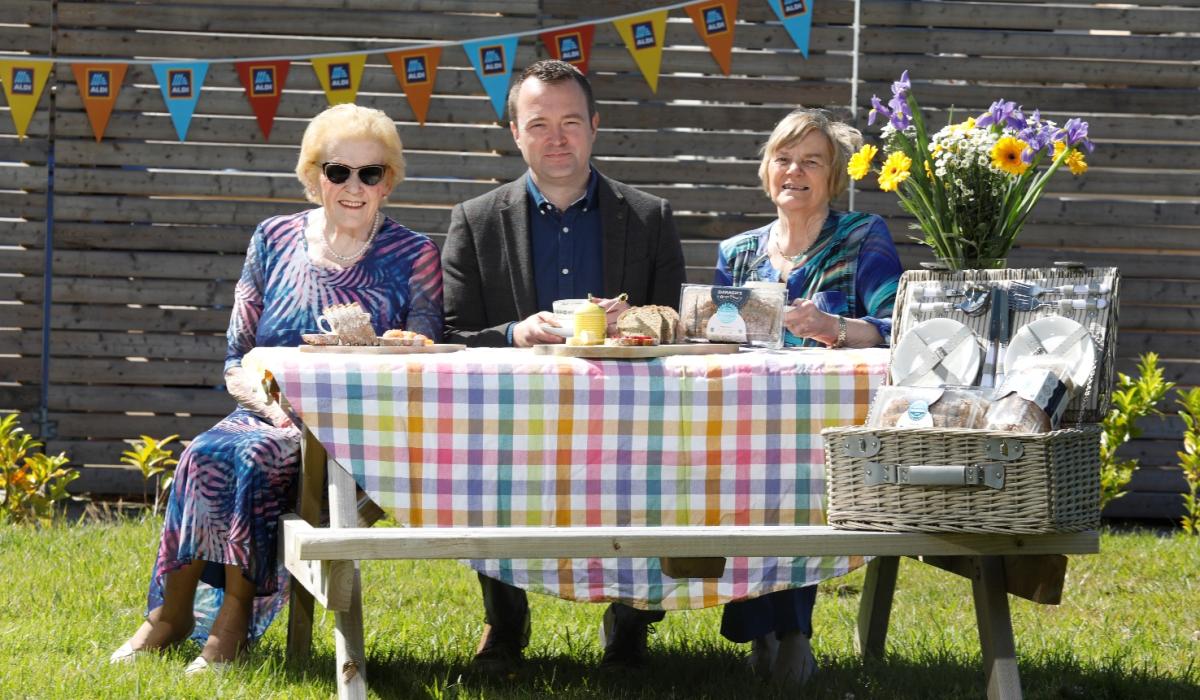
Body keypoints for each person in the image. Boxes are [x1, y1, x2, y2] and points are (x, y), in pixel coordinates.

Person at [110, 103, 443, 674]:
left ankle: (235, 618)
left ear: (388, 181)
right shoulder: (273, 238)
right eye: (339, 172)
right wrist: (272, 408)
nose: (354, 186)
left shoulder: (416, 256)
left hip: (350, 428)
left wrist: (405, 344)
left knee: (256, 460)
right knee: (203, 452)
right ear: (315, 176)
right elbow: (237, 357)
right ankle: (171, 613)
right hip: (264, 409)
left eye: (371, 173)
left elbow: (423, 346)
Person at [441, 59, 687, 673]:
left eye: (571, 122)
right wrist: (511, 332)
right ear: (516, 133)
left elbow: (677, 323)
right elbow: (448, 330)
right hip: (510, 417)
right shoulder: (473, 221)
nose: (557, 137)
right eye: (540, 123)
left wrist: (629, 320)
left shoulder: (650, 217)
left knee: (655, 475)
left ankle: (631, 623)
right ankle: (504, 625)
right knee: (486, 471)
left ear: (595, 127)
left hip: (631, 413)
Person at [714, 108, 902, 684]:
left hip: (830, 424)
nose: (794, 171)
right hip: (744, 417)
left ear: (833, 176)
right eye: (783, 158)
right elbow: (718, 336)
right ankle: (761, 630)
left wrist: (835, 329)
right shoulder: (737, 252)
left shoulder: (862, 235)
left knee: (794, 478)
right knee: (736, 478)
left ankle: (793, 630)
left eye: (811, 161)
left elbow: (897, 323)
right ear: (766, 169)